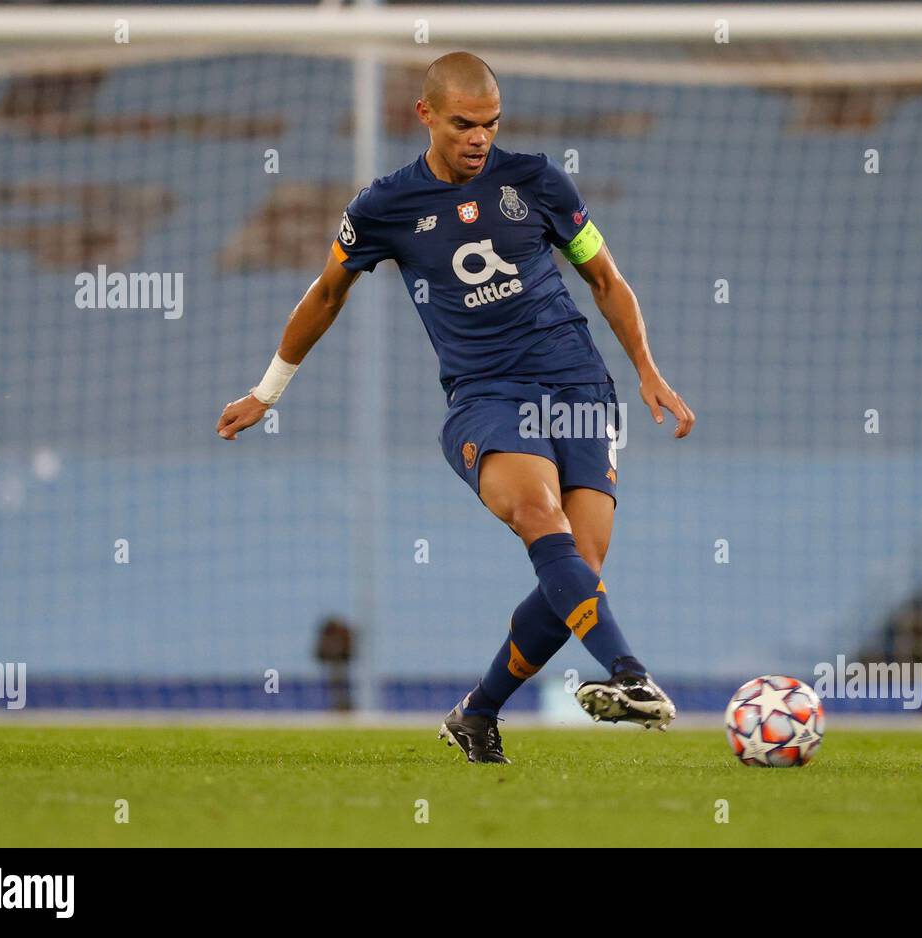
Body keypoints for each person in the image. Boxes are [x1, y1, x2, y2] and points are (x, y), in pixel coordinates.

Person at [217, 52, 694, 764]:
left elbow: (604, 276)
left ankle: (477, 713)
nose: (479, 137)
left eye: (491, 124)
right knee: (541, 517)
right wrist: (267, 390)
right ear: (427, 116)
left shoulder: (535, 179)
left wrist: (648, 371)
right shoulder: (383, 206)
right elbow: (325, 296)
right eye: (465, 123)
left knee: (580, 572)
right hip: (487, 397)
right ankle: (630, 675)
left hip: (579, 388)